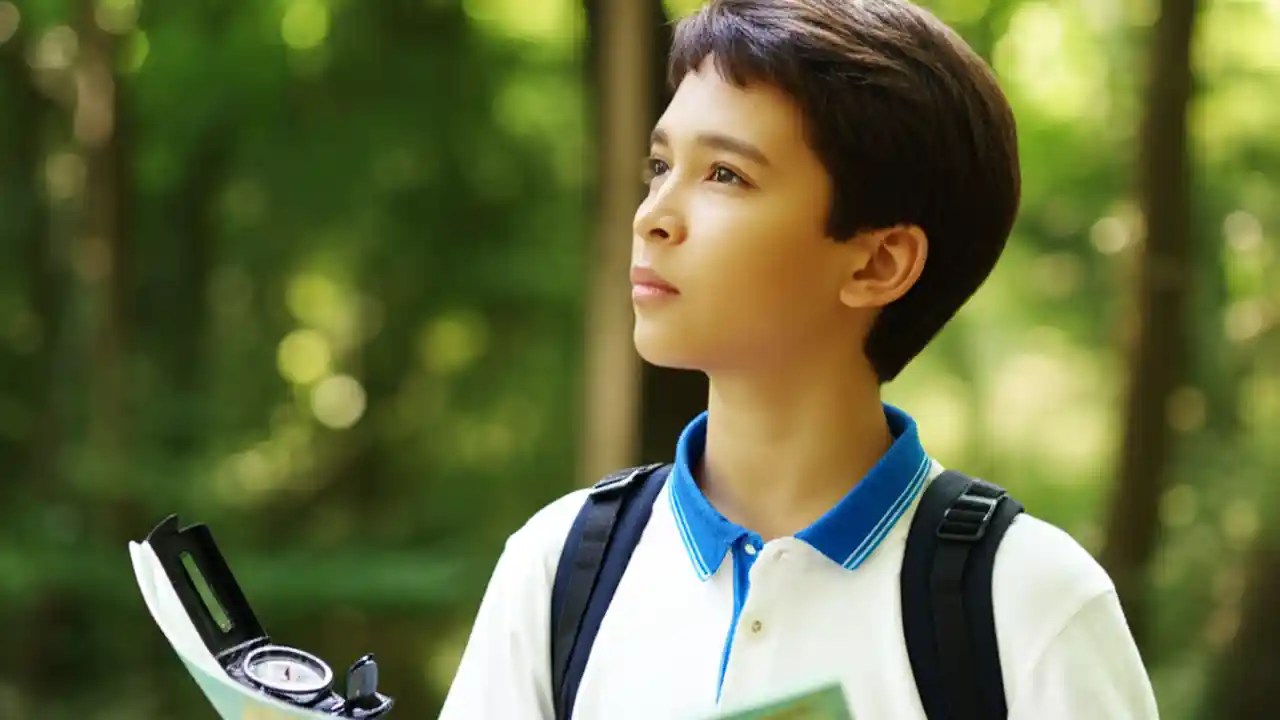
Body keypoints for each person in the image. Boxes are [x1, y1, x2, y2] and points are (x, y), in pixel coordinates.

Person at [439, 0, 1159, 718]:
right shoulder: (562, 568)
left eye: (725, 175)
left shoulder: (1028, 601)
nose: (653, 214)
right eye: (659, 166)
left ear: (879, 262)